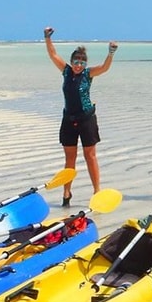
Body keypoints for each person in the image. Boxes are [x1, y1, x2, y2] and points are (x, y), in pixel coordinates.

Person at [43, 27, 118, 207]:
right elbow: (53, 54)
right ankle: (67, 192)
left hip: (86, 119)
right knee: (70, 159)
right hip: (68, 119)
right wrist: (47, 38)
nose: (78, 65)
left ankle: (97, 191)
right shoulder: (66, 71)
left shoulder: (88, 74)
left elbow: (105, 68)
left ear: (85, 64)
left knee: (90, 156)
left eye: (82, 63)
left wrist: (111, 53)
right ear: (71, 61)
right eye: (76, 61)